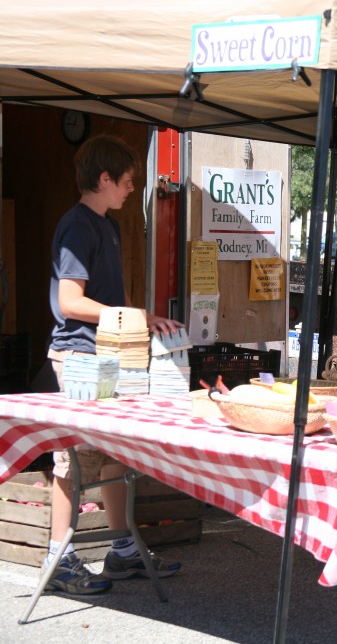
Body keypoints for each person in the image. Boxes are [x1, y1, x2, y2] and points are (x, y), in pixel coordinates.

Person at [43, 135, 184, 595]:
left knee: (116, 452)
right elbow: (70, 302)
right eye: (126, 181)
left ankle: (122, 549)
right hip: (79, 356)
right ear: (104, 178)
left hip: (108, 352)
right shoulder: (77, 226)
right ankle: (59, 559)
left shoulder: (108, 225)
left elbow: (114, 297)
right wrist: (132, 316)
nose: (131, 188)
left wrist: (144, 319)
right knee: (76, 457)